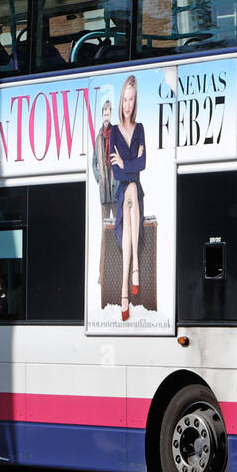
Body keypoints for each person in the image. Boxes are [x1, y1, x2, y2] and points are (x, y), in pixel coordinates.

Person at [110, 75, 146, 321]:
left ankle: (124, 289)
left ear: (136, 102)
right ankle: (134, 269)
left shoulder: (140, 128)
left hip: (134, 194)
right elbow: (116, 171)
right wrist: (130, 165)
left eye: (131, 100)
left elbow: (144, 164)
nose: (127, 104)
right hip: (122, 192)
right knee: (130, 189)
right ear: (120, 99)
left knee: (134, 190)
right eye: (125, 99)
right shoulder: (113, 131)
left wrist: (127, 163)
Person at [90, 99, 115, 285]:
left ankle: (119, 270)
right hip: (103, 193)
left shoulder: (115, 134)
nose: (106, 117)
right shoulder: (98, 137)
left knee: (119, 230)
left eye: (108, 114)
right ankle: (103, 272)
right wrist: (99, 179)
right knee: (104, 231)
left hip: (115, 190)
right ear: (102, 115)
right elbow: (94, 162)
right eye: (104, 114)